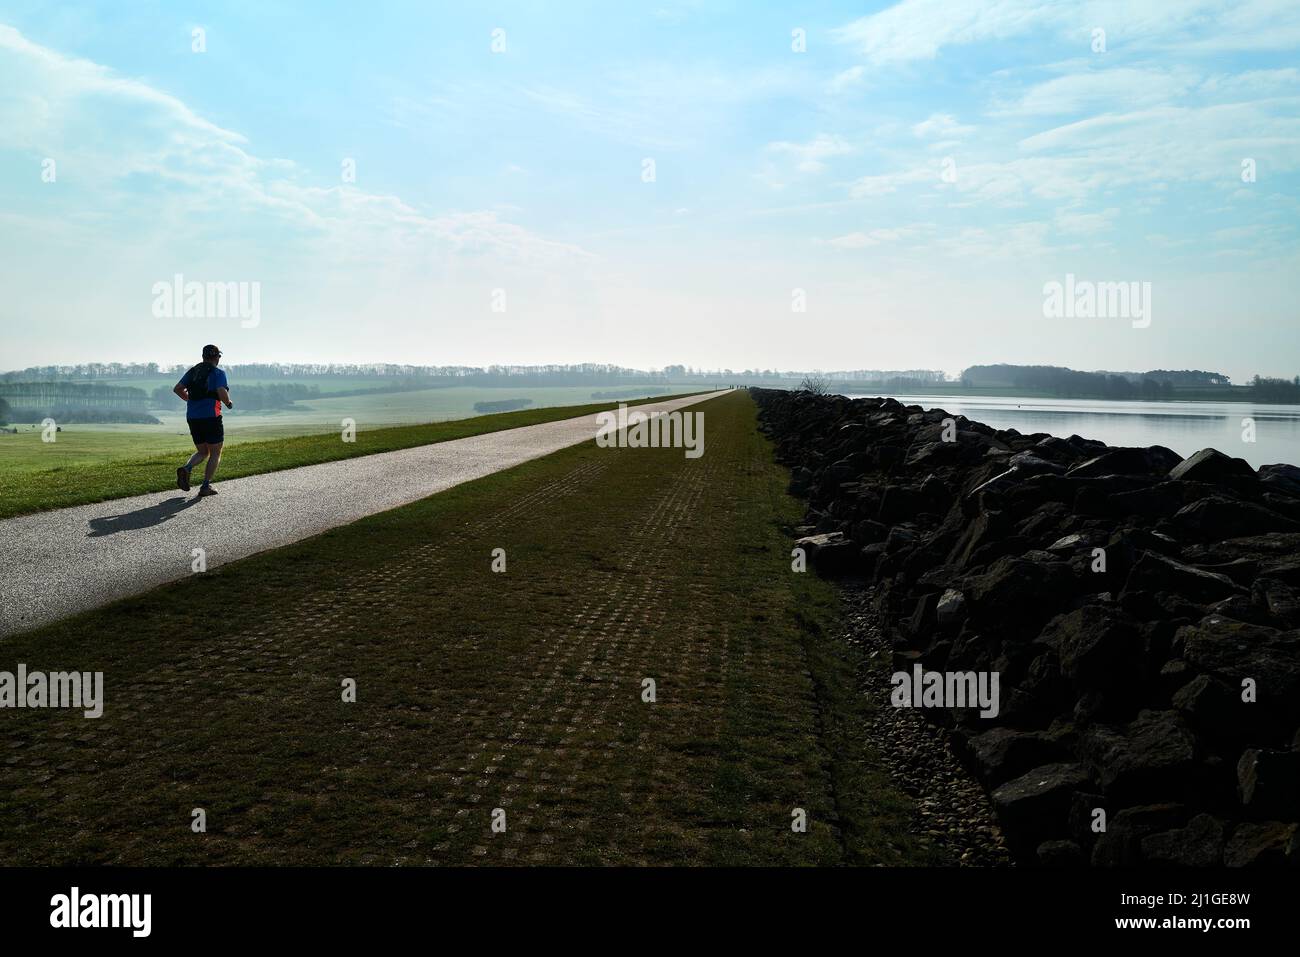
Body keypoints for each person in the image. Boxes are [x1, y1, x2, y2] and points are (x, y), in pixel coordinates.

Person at [173, 344, 232, 497]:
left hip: (193, 417)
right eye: (219, 356)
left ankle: (187, 468)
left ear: (203, 356)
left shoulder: (193, 371)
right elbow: (221, 391)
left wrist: (189, 400)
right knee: (215, 453)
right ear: (216, 357)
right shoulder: (218, 372)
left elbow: (178, 388)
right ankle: (205, 487)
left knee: (202, 451)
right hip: (211, 417)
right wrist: (228, 403)